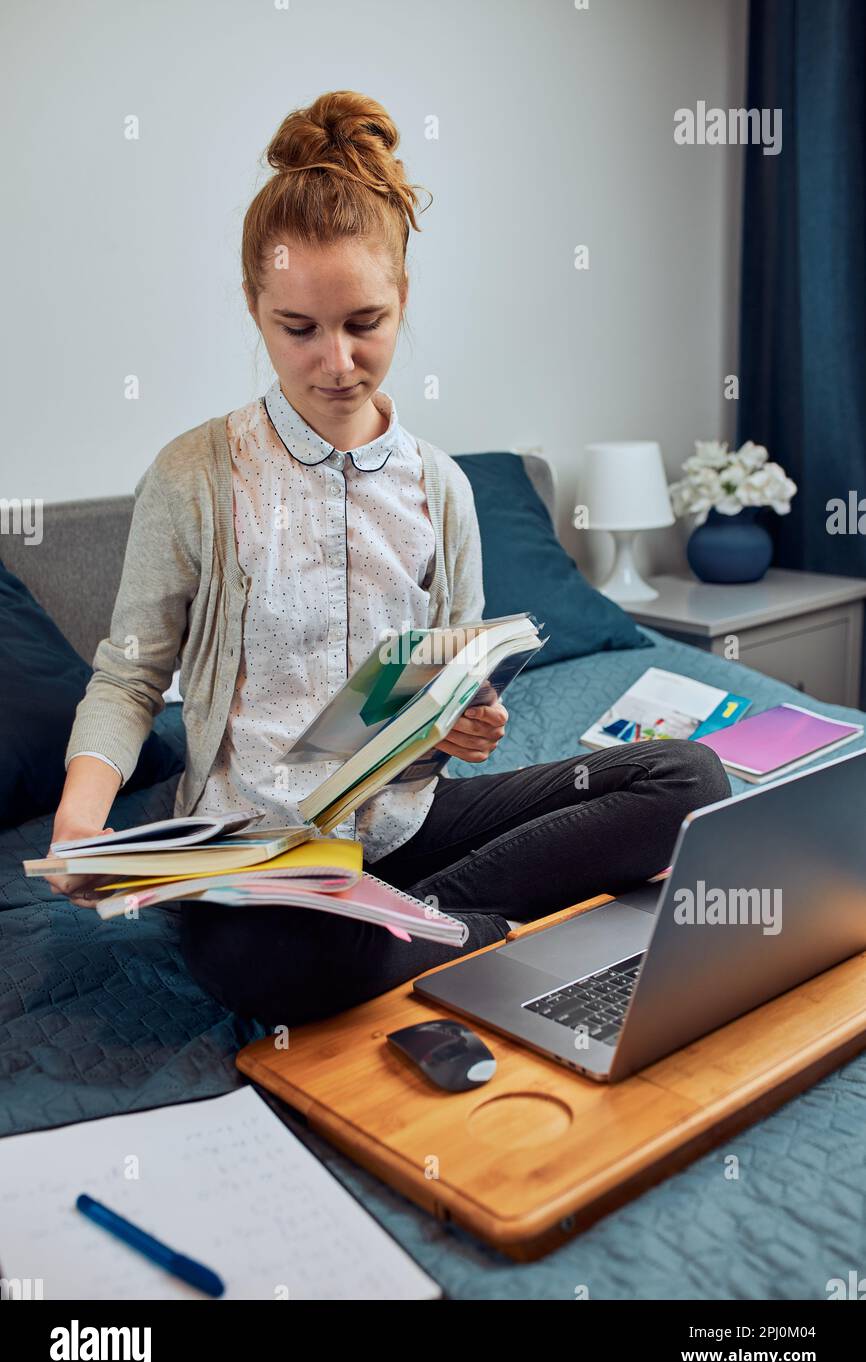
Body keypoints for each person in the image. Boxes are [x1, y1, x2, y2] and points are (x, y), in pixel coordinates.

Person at [51, 89, 731, 1029]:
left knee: (687, 781)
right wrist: (84, 821)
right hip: (261, 857)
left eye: (364, 322)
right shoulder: (193, 476)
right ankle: (476, 929)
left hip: (403, 826)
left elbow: (459, 685)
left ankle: (424, 924)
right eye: (299, 329)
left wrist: (469, 723)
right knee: (265, 961)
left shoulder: (441, 489)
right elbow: (130, 677)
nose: (336, 361)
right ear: (256, 309)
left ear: (403, 300)